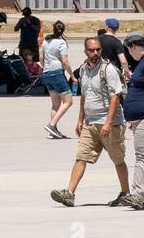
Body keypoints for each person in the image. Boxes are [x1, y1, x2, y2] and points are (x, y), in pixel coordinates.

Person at [50, 37, 133, 208]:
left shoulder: (108, 69)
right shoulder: (83, 70)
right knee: (81, 157)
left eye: (97, 50)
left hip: (109, 123)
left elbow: (115, 96)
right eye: (91, 50)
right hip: (90, 123)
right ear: (85, 51)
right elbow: (84, 96)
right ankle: (70, 193)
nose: (95, 53)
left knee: (118, 159)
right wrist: (80, 120)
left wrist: (108, 123)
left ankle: (125, 193)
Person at [120, 31, 144, 210]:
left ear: (133, 47)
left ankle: (137, 196)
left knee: (143, 158)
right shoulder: (143, 63)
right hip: (141, 118)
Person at [40, 21, 73, 139]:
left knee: (55, 104)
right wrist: (72, 76)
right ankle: (52, 125)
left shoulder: (46, 41)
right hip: (56, 72)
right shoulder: (61, 42)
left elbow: (41, 58)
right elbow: (65, 61)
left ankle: (53, 131)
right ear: (63, 30)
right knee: (68, 101)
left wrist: (45, 69)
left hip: (47, 73)